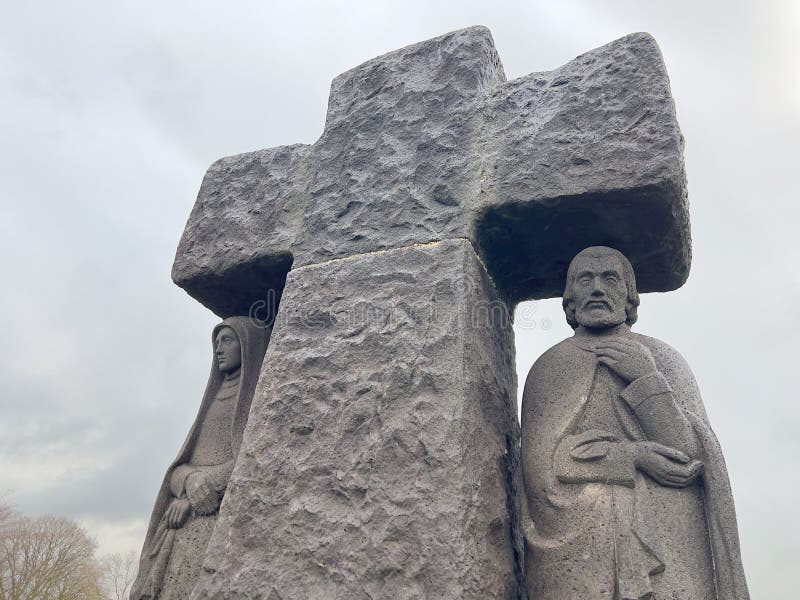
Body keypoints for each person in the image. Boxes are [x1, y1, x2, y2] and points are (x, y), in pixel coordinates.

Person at [521, 246, 749, 600]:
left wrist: (646, 380)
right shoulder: (550, 367)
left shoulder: (662, 358)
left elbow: (691, 455)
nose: (597, 289)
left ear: (629, 298)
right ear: (569, 300)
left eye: (609, 279)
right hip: (581, 556)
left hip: (667, 542)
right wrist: (633, 457)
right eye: (586, 279)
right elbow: (539, 469)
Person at [131, 316, 270, 599]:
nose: (218, 349)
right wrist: (190, 481)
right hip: (179, 526)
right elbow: (177, 470)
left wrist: (206, 484)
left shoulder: (258, 403)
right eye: (216, 342)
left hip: (215, 526)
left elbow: (255, 458)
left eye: (227, 340)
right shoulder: (212, 401)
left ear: (248, 345)